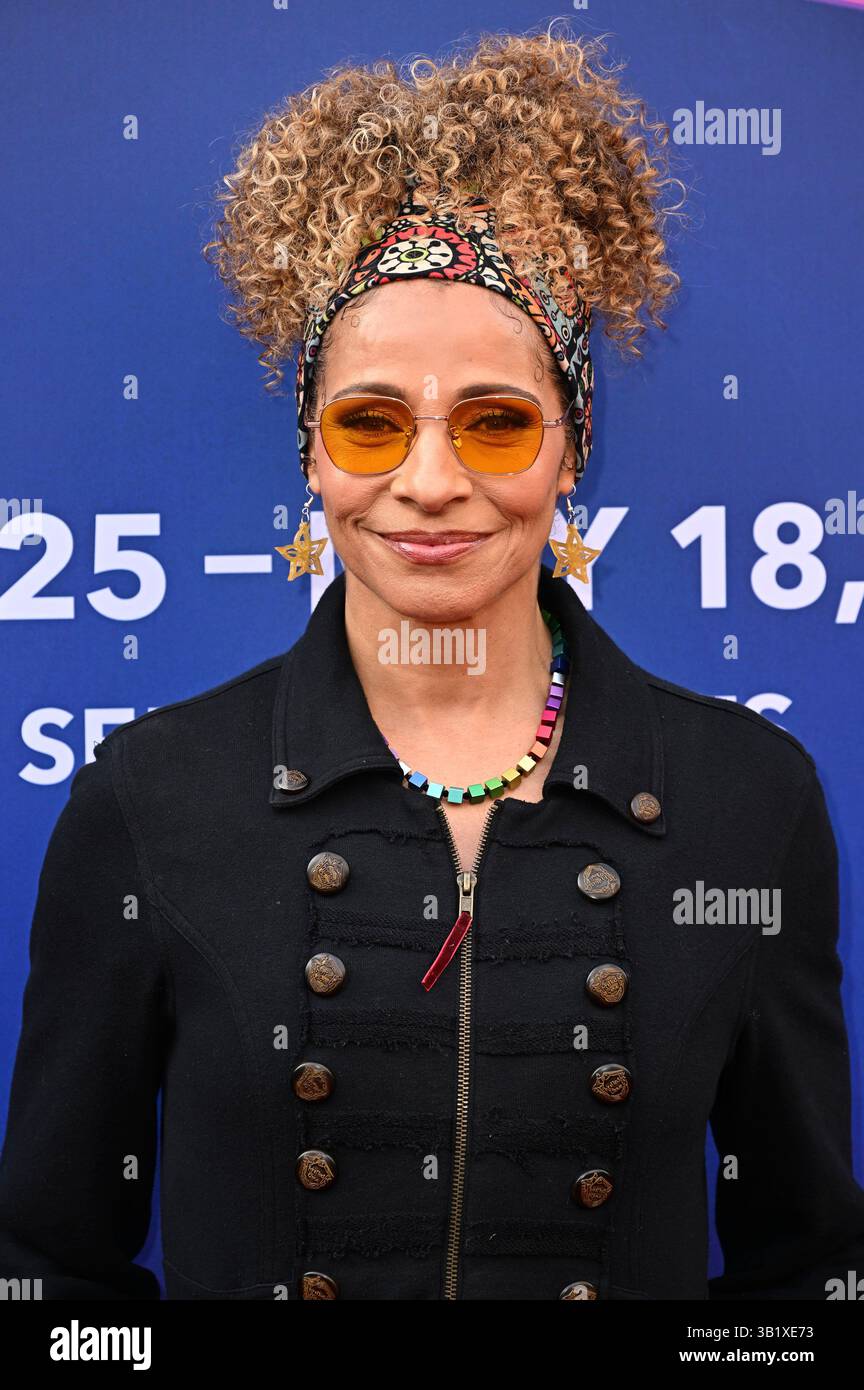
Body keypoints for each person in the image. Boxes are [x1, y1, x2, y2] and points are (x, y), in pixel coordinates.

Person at [2, 26, 863, 1302]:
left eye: (495, 423)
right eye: (371, 423)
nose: (430, 481)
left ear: (571, 450)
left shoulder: (747, 800)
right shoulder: (152, 796)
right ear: (312, 454)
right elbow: (46, 1273)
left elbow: (808, 1275)